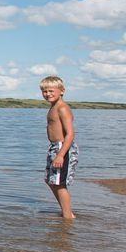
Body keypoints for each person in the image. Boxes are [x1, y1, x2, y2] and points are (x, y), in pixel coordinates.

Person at [41, 75, 77, 219]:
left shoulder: (62, 108)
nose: (47, 94)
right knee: (51, 181)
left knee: (60, 184)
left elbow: (70, 134)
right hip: (55, 147)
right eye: (44, 91)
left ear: (62, 91)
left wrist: (61, 154)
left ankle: (68, 217)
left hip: (63, 148)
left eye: (51, 91)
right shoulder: (53, 107)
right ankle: (66, 211)